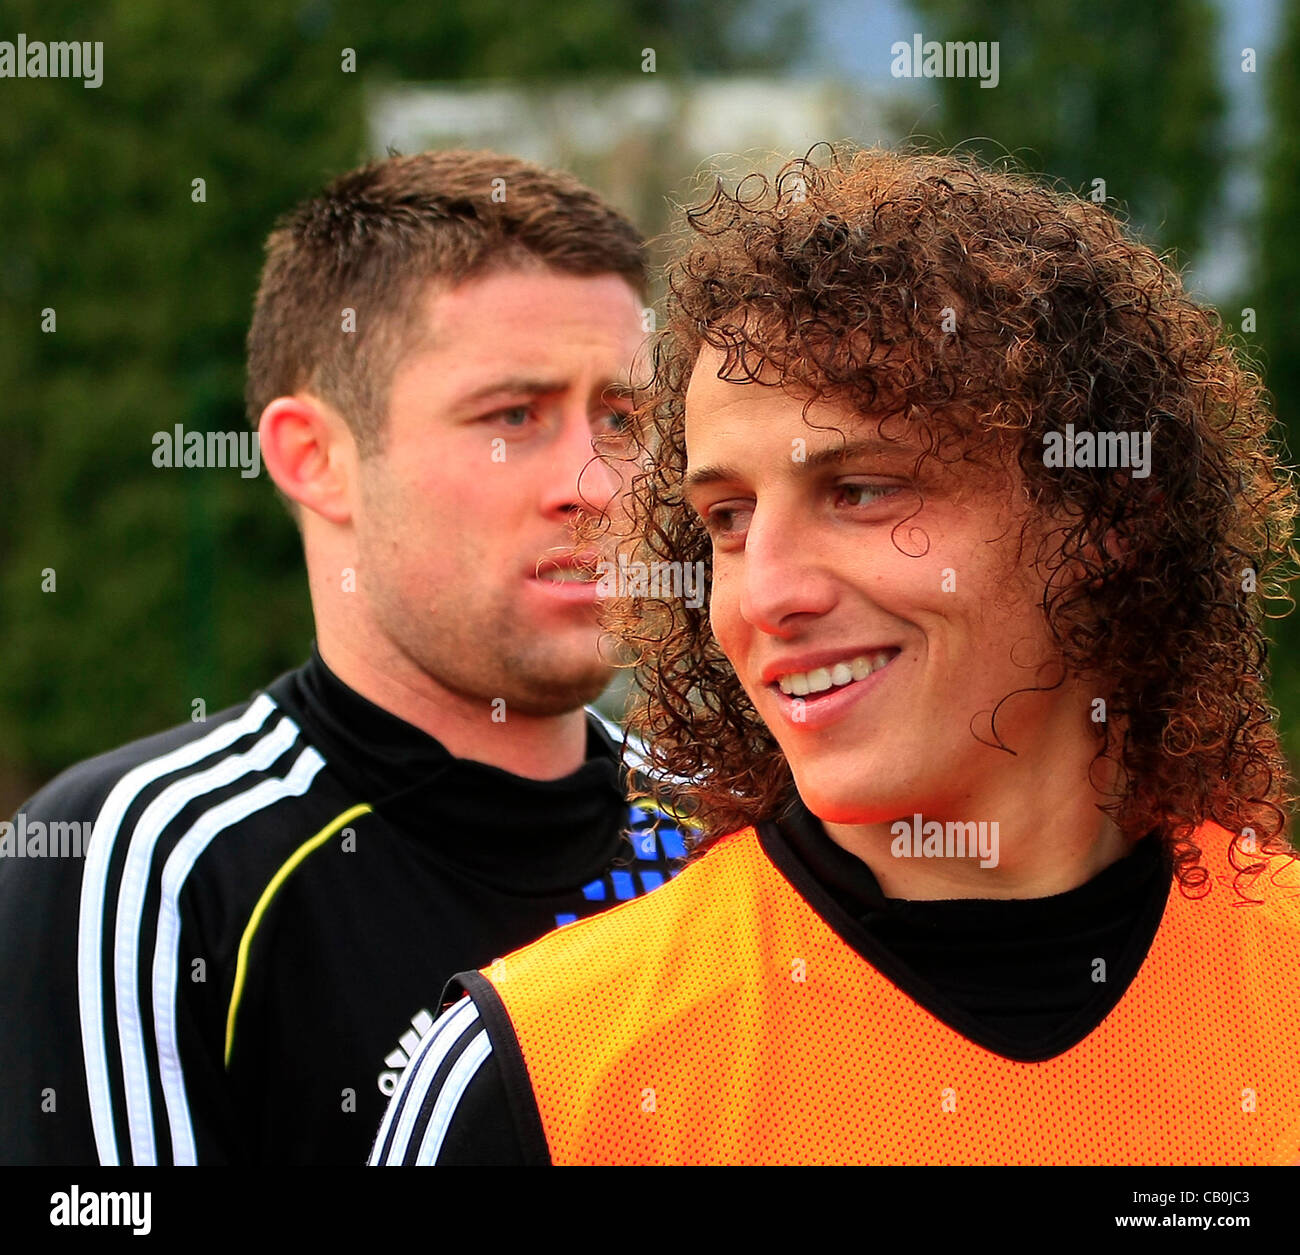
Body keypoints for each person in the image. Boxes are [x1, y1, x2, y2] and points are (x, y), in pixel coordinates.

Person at [371, 145, 1300, 1167]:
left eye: (860, 491)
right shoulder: (549, 1075)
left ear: (1108, 515)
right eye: (725, 518)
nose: (766, 594)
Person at [0, 149, 683, 1165]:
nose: (594, 482)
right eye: (513, 416)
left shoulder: (734, 823)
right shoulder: (149, 864)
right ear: (314, 459)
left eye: (623, 419)